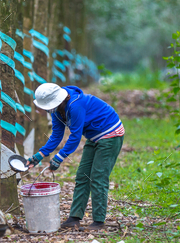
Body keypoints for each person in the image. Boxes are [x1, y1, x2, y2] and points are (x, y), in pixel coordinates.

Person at [27, 83, 124, 231]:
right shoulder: (57, 111)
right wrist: (39, 155)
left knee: (98, 177)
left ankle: (99, 222)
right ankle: (74, 218)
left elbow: (75, 136)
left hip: (110, 134)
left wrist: (59, 157)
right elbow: (57, 135)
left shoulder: (75, 105)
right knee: (82, 176)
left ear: (61, 99)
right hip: (94, 136)